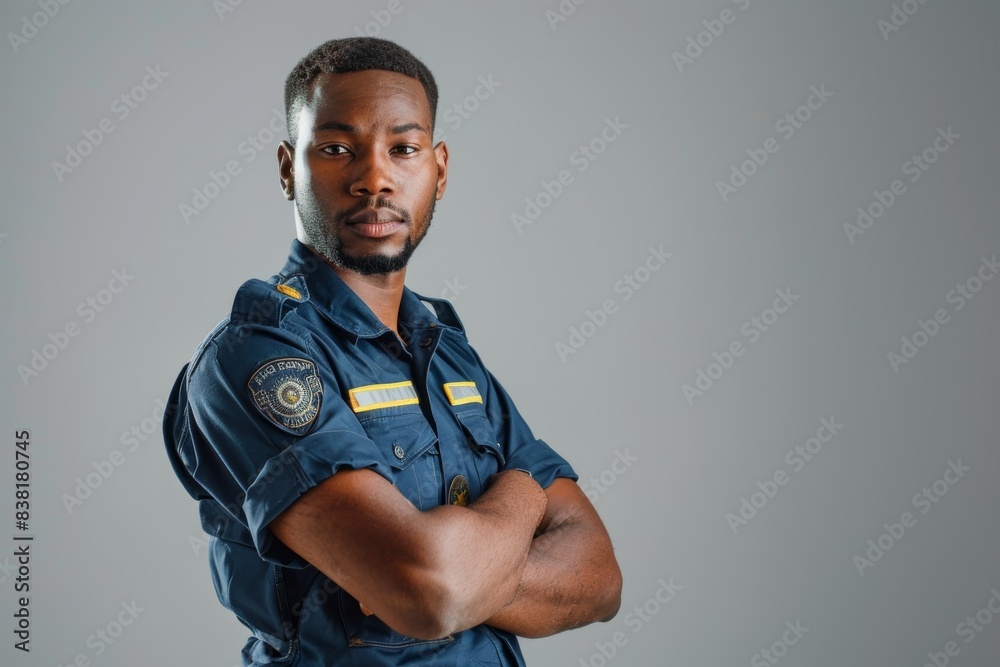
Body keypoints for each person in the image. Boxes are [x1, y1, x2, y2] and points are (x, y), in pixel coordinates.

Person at [163, 36, 622, 666]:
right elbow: (430, 596)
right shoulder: (255, 359)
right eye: (336, 148)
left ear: (439, 170)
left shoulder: (450, 354)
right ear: (286, 168)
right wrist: (525, 489)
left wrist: (464, 572)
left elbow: (598, 579)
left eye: (402, 149)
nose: (374, 177)